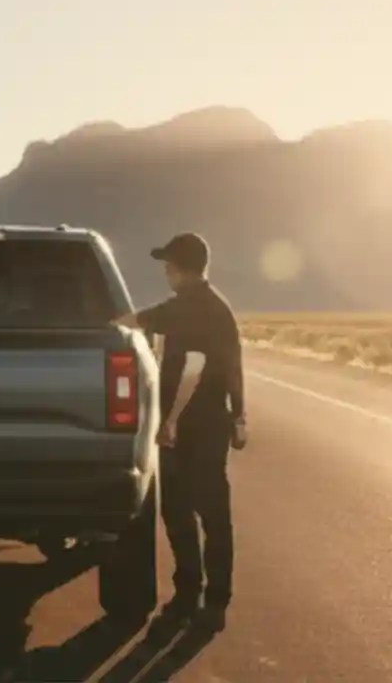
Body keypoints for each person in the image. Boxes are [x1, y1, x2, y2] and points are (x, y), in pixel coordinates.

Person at [114, 232, 247, 636]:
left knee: (202, 514)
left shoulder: (195, 308)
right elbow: (234, 366)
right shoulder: (209, 307)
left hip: (195, 427)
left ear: (183, 268)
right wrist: (240, 415)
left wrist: (170, 421)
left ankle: (207, 599)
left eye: (169, 265)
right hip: (203, 423)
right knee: (186, 513)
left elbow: (190, 364)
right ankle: (195, 596)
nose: (166, 271)